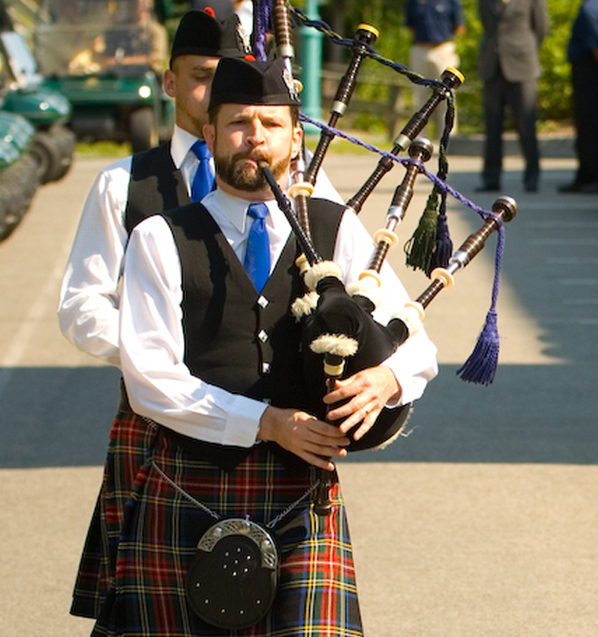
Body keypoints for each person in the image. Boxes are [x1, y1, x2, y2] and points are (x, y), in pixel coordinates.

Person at [96, 55, 438, 634]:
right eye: (237, 123)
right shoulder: (160, 237)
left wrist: (387, 380)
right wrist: (267, 422)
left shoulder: (336, 228)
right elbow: (151, 380)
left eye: (272, 124)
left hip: (300, 498)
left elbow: (415, 341)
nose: (255, 136)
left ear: (295, 138)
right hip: (189, 482)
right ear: (209, 133)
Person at [61, 9, 339, 622]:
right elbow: (81, 305)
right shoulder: (124, 183)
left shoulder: (309, 196)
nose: (214, 94)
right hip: (165, 424)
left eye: (226, 80)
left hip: (286, 443)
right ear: (170, 83)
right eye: (200, 79)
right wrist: (155, 344)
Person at [477, 0, 548, 193]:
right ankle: (491, 177)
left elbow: (541, 28)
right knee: (492, 126)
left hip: (522, 65)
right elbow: (485, 22)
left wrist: (523, 47)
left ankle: (532, 176)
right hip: (492, 66)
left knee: (526, 124)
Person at [559, 0, 598, 194]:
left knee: (588, 128)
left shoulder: (590, 9)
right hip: (595, 73)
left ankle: (589, 176)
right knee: (595, 125)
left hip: (587, 72)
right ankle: (591, 174)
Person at [406, 0, 465, 142]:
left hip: (442, 48)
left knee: (446, 96)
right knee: (419, 97)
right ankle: (420, 139)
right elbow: (410, 26)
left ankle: (447, 140)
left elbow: (459, 27)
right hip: (420, 48)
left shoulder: (451, 1)